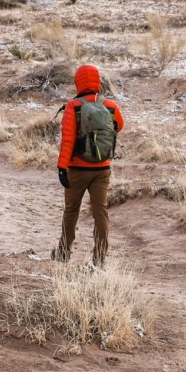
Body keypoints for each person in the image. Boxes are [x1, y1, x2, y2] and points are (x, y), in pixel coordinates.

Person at [54, 64, 123, 266]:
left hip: (77, 170)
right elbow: (119, 125)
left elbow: (67, 140)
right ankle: (100, 257)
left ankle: (63, 252)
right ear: (97, 81)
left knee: (71, 211)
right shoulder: (110, 106)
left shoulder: (73, 107)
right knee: (100, 213)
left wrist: (62, 167)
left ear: (78, 82)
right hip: (102, 168)